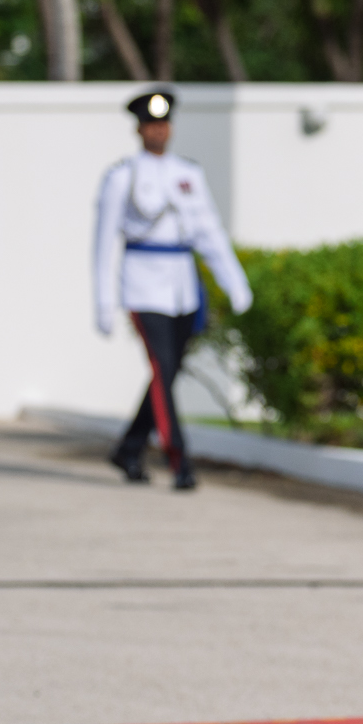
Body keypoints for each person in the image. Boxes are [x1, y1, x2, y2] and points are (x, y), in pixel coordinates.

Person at [92, 87, 252, 489]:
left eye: (163, 124)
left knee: (169, 371)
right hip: (144, 286)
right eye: (151, 124)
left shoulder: (188, 174)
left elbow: (209, 232)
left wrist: (233, 280)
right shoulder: (122, 176)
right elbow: (103, 241)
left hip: (183, 286)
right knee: (163, 371)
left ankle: (129, 447)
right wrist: (103, 301)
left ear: (171, 127)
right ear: (140, 129)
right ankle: (180, 459)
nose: (158, 131)